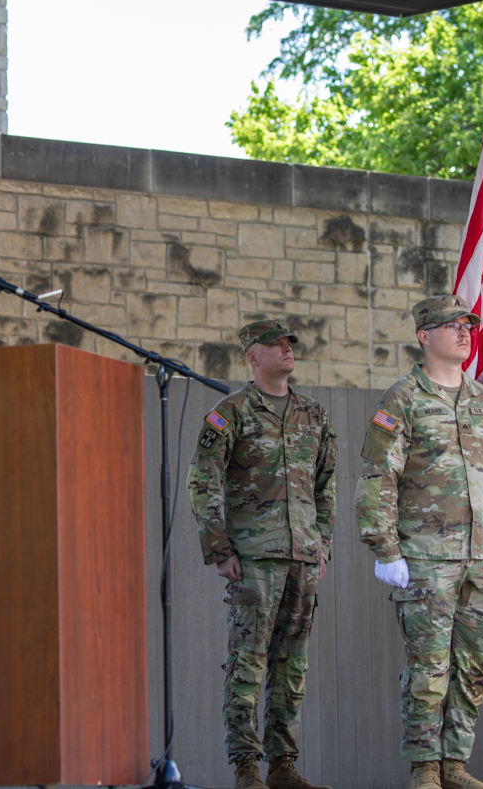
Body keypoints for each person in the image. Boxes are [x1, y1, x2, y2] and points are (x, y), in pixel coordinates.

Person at [357, 294, 483, 789]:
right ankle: (424, 769)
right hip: (427, 559)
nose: (465, 333)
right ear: (424, 336)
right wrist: (384, 548)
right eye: (452, 326)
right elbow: (377, 477)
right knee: (429, 669)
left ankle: (455, 766)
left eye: (468, 325)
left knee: (472, 669)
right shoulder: (403, 398)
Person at [186, 319, 338, 789]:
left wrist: (322, 544)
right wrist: (218, 549)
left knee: (292, 665)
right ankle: (246, 767)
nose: (287, 350)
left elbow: (326, 485)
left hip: (302, 558)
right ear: (253, 356)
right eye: (276, 344)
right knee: (247, 662)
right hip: (254, 558)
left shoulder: (314, 414)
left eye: (289, 343)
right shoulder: (229, 413)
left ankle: (283, 767)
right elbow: (202, 482)